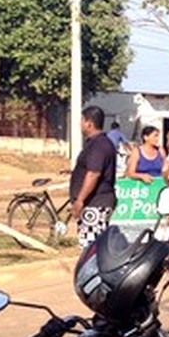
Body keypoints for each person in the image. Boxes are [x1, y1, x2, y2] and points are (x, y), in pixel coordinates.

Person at [70, 105, 118, 249]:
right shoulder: (97, 143)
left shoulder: (99, 145)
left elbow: (93, 174)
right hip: (94, 204)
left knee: (91, 250)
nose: (80, 124)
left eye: (82, 121)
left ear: (89, 123)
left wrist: (80, 200)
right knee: (92, 247)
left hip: (96, 204)